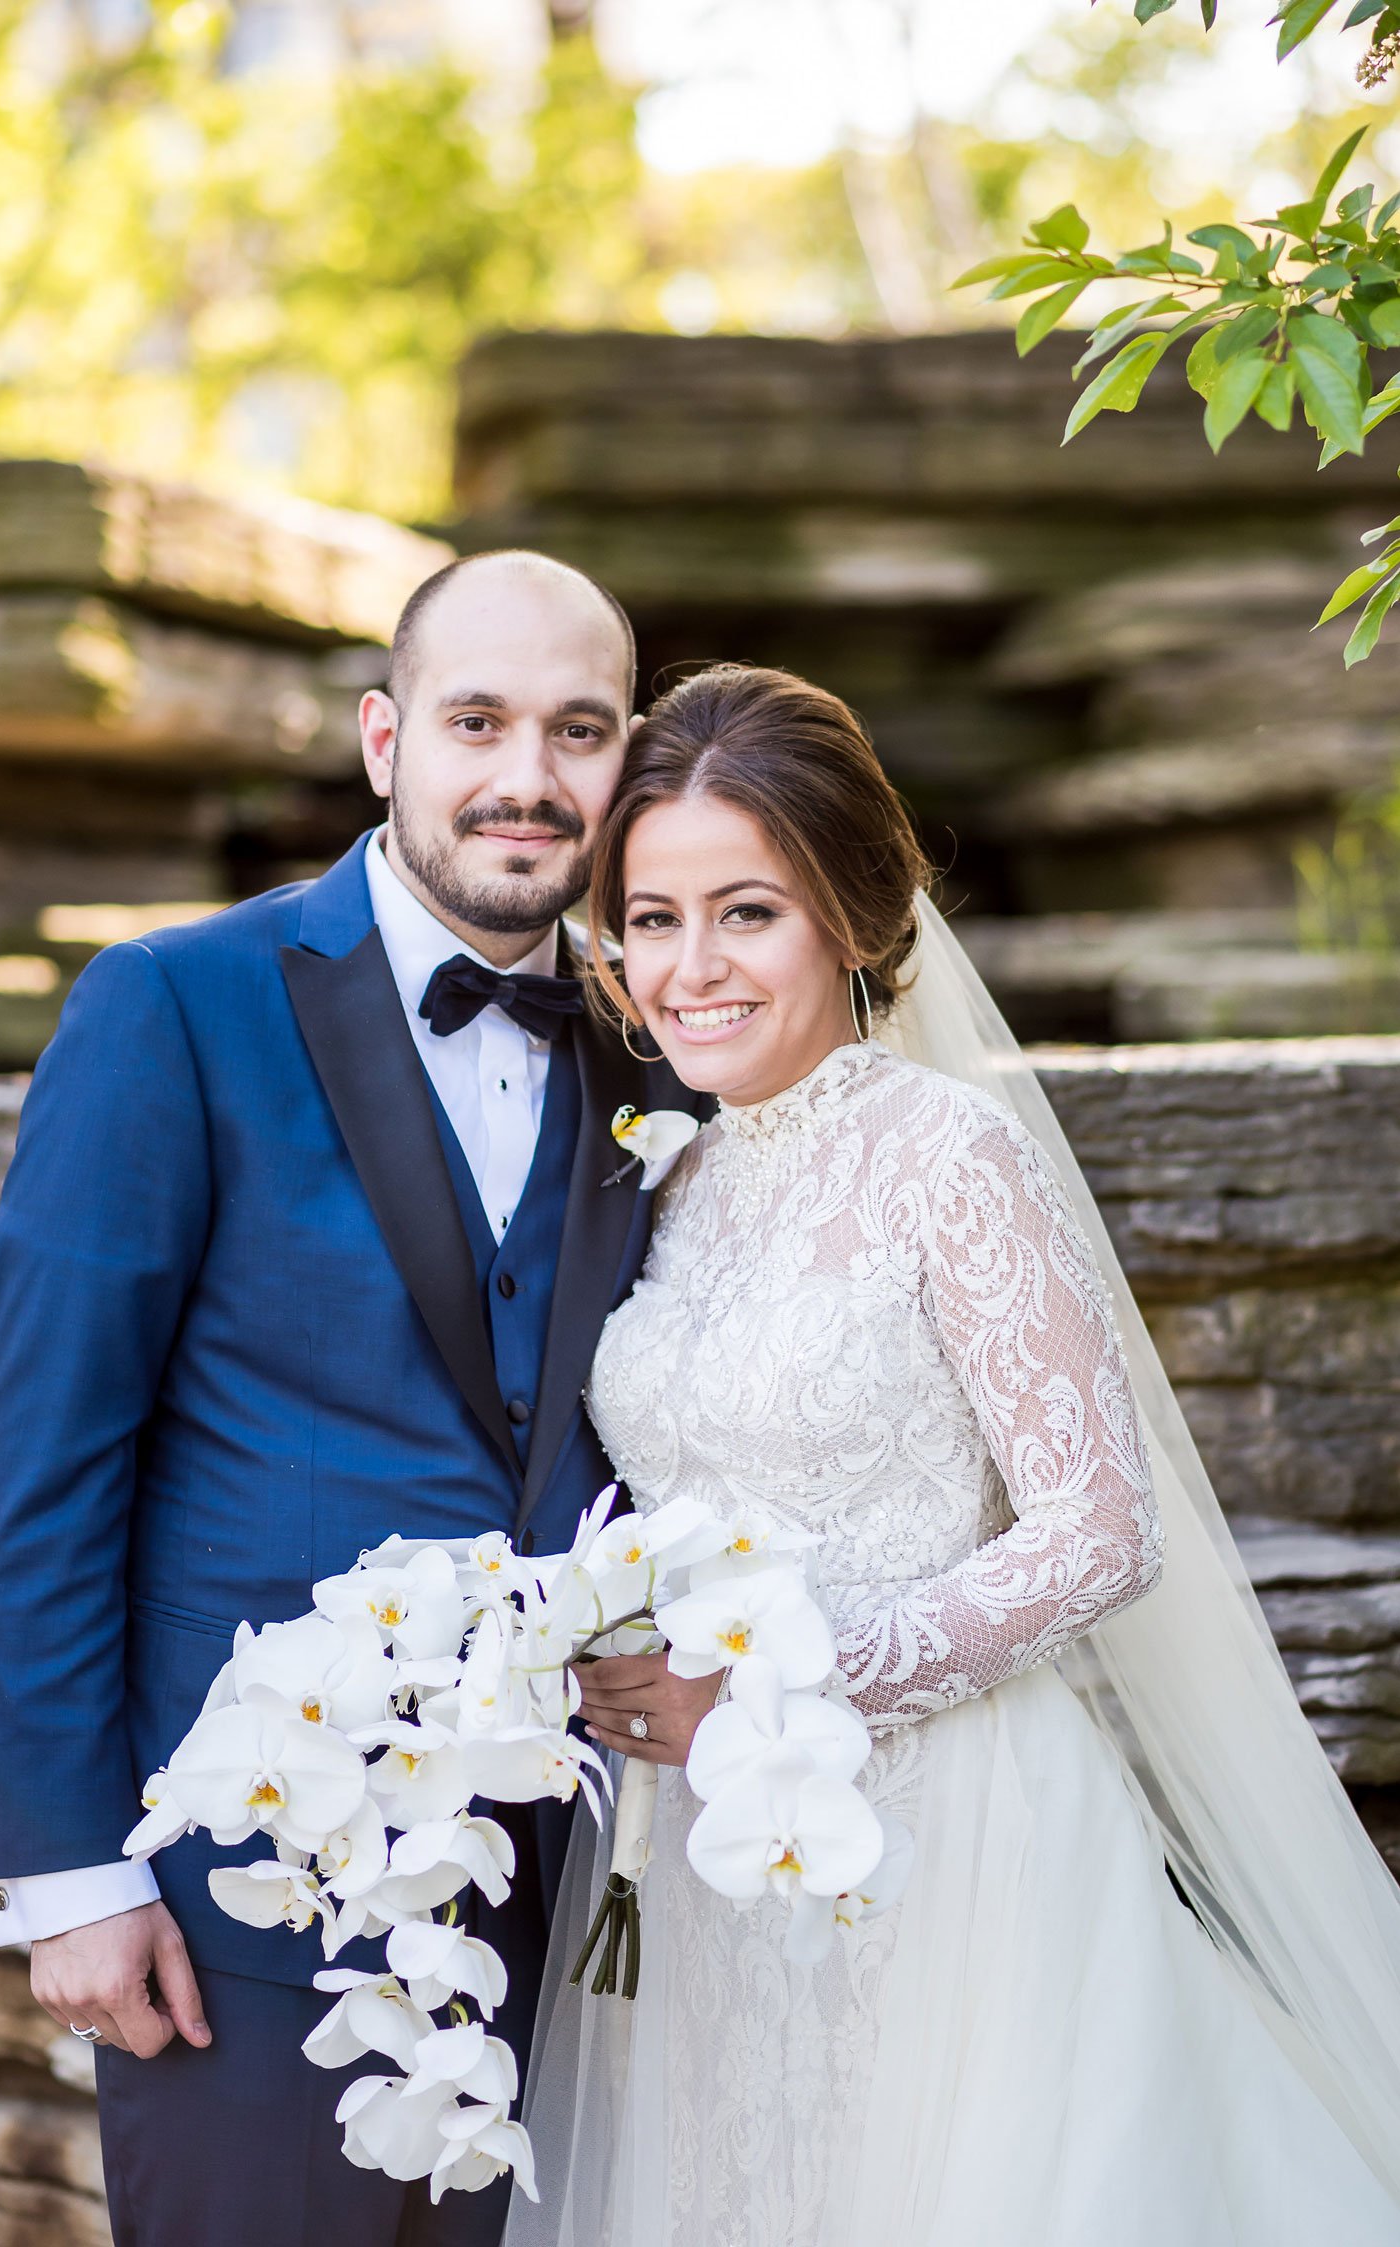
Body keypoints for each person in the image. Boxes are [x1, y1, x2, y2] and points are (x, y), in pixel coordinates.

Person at [511, 663, 1400, 2247]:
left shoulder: (948, 1154)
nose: (688, 968)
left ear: (853, 917)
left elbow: (1100, 1529)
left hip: (952, 1830)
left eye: (746, 913)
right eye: (650, 919)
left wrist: (789, 1682)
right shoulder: (674, 1181)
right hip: (712, 1849)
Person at [0, 550, 699, 2247]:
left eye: (579, 731)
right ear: (384, 741)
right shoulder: (175, 1005)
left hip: (576, 1897)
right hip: (250, 1901)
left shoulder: (661, 1039)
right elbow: (48, 1461)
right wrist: (67, 1869)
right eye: (478, 721)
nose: (526, 776)